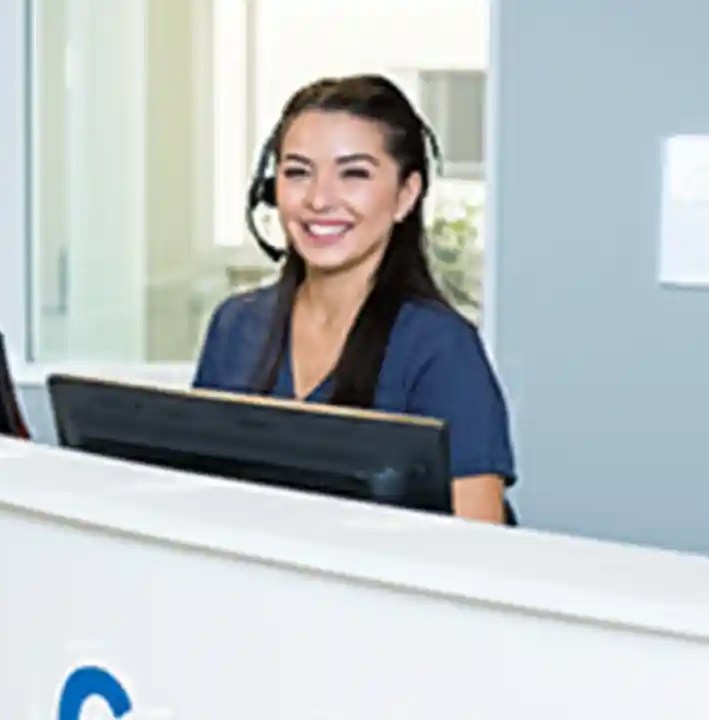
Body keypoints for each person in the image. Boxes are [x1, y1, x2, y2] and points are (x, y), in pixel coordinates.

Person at [193, 74, 515, 524]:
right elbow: (202, 503)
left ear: (406, 195)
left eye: (354, 174)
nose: (320, 199)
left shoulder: (440, 348)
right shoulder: (236, 326)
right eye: (298, 172)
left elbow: (478, 549)